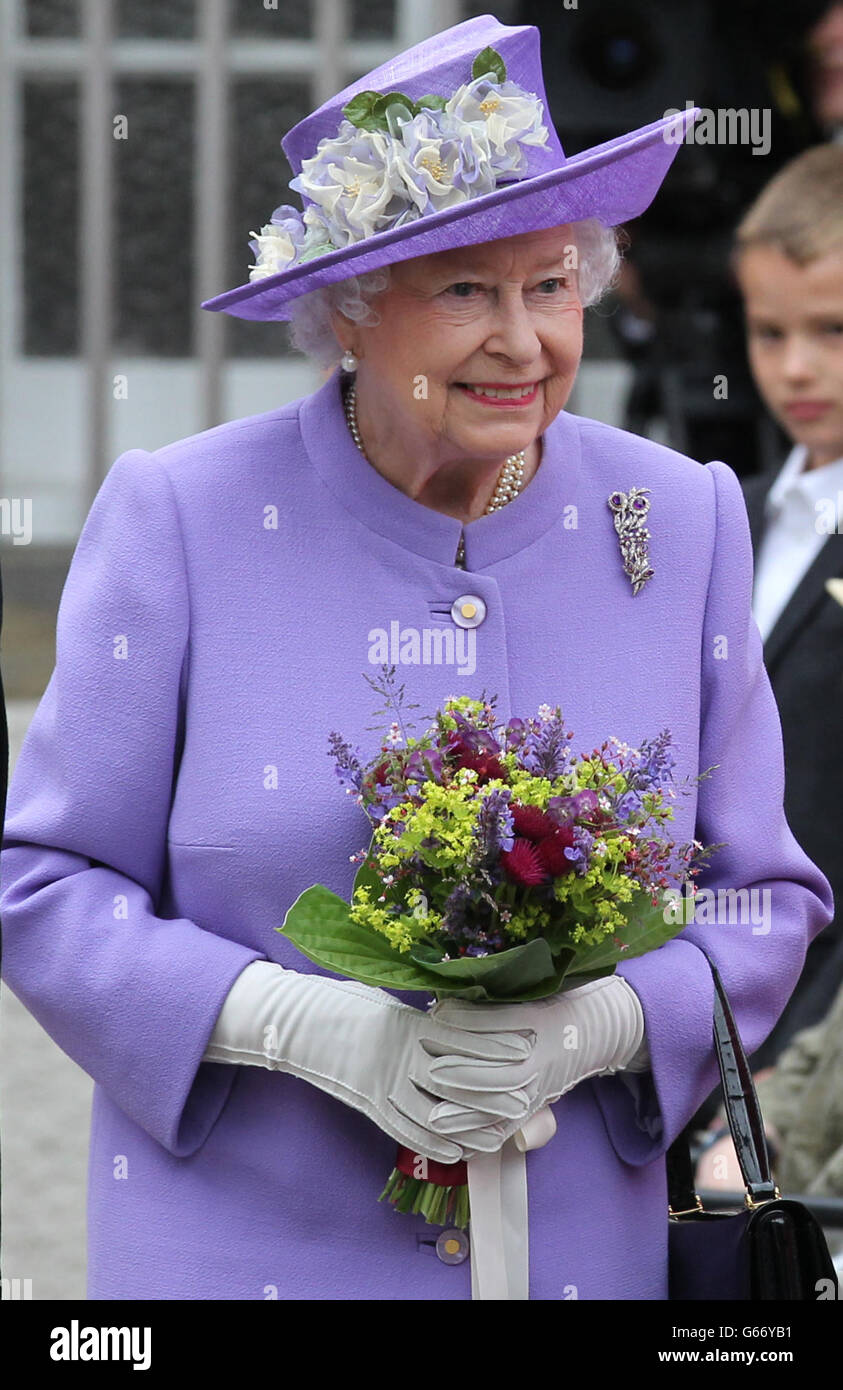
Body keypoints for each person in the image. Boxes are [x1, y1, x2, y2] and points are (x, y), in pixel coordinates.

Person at [0, 14, 833, 1302]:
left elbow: (765, 900)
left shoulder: (680, 519)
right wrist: (294, 1024)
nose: (525, 341)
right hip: (241, 1260)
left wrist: (604, 1025)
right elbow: (45, 884)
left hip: (581, 1263)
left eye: (552, 285)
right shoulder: (185, 517)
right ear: (348, 308)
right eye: (465, 291)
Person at [695, 143, 843, 1189]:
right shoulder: (722, 515)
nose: (796, 368)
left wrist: (797, 1065)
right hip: (678, 1022)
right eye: (770, 331)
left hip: (811, 1050)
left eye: (835, 332)